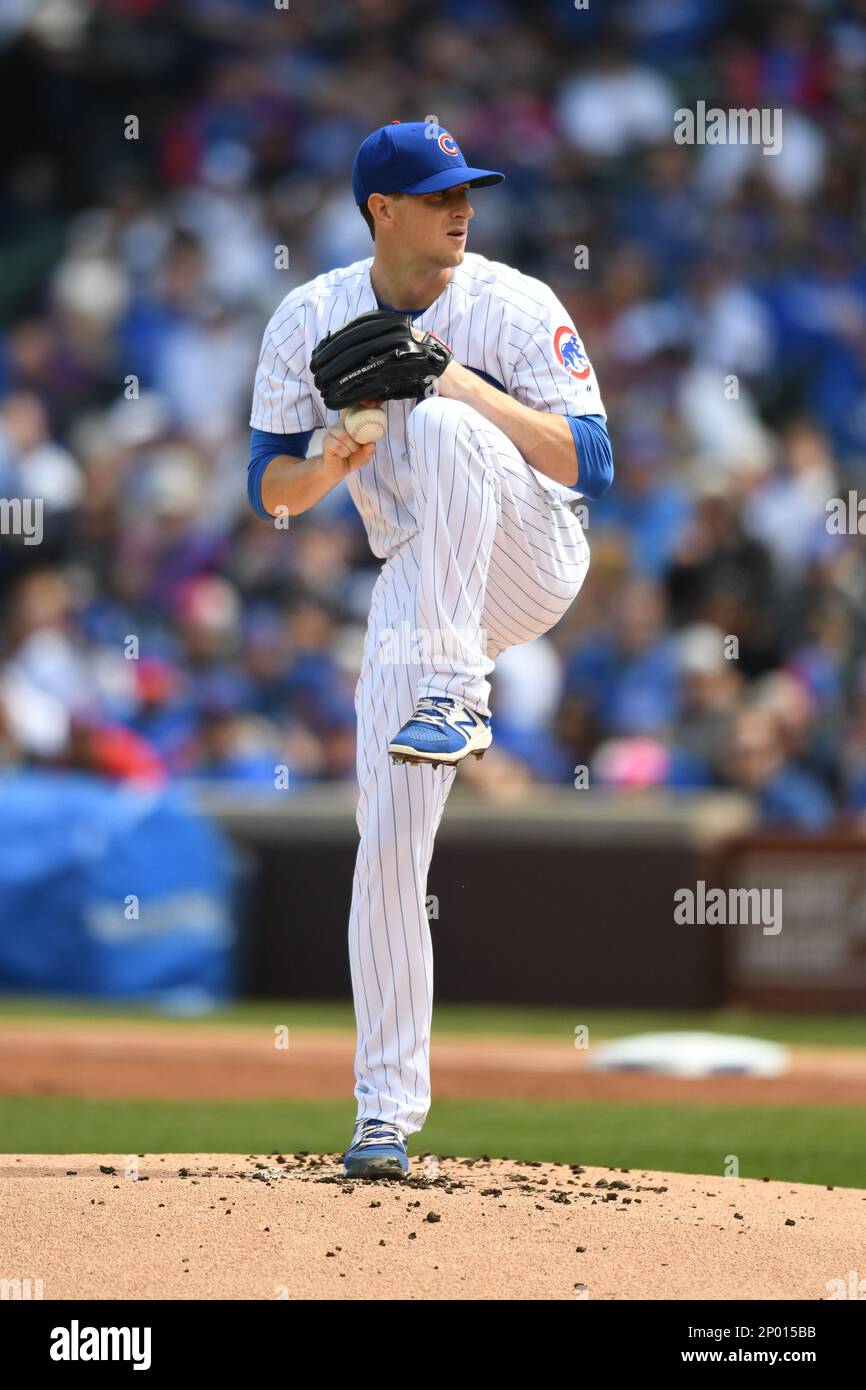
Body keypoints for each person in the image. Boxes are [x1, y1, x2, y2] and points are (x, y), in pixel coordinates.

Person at [248, 121, 613, 1178]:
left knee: (449, 430)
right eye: (438, 191)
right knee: (389, 844)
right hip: (420, 579)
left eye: (468, 189)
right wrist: (333, 453)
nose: (462, 206)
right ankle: (382, 1114)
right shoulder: (308, 316)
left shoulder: (508, 302)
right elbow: (272, 493)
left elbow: (590, 458)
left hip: (530, 549)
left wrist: (454, 382)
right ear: (380, 209)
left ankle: (458, 690)